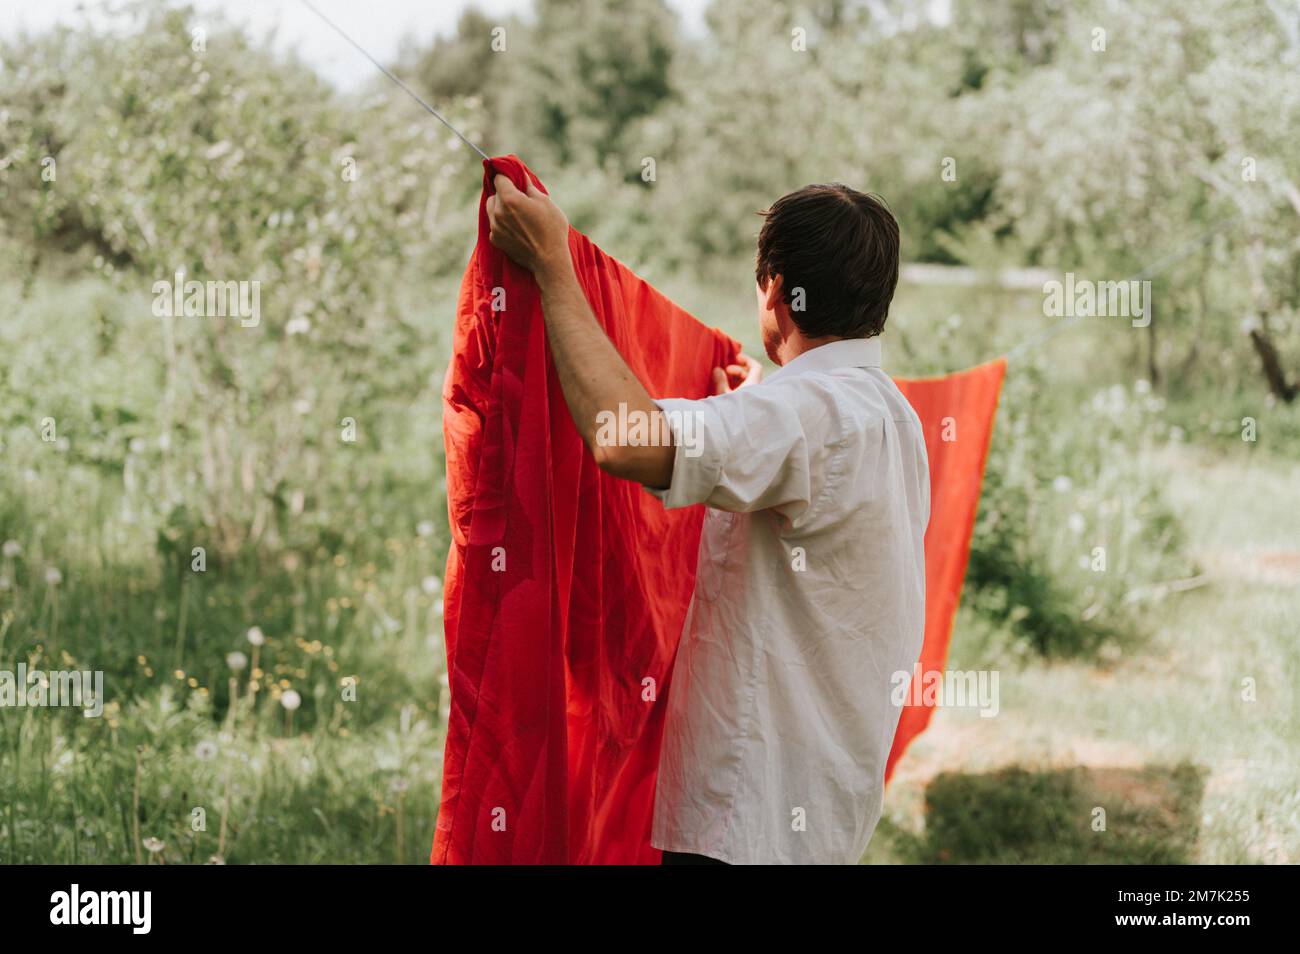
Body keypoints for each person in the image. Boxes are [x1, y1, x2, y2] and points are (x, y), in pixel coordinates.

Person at [485, 174, 929, 865]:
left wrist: (552, 268)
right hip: (822, 805)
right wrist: (760, 404)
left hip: (750, 820)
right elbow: (805, 456)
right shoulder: (890, 415)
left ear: (776, 291)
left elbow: (623, 437)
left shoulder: (804, 416)